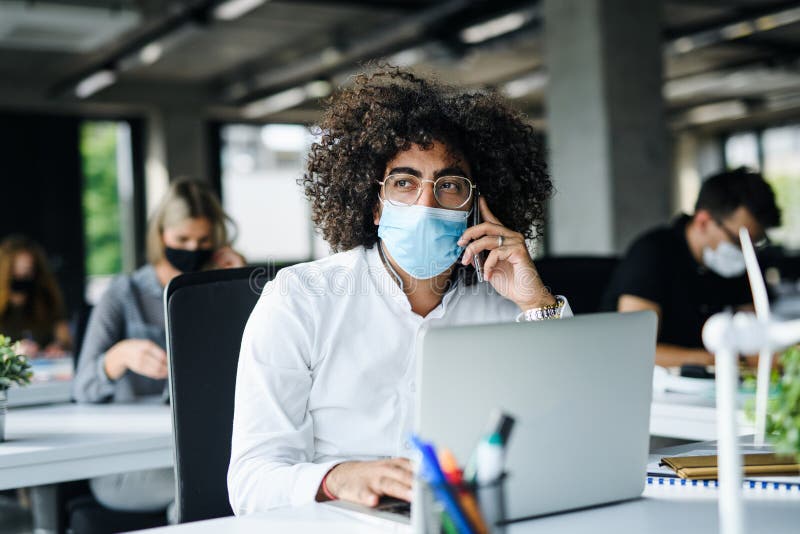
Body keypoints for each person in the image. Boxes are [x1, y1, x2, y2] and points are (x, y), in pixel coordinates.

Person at [228, 67, 573, 515]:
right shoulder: (298, 300)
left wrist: (535, 301)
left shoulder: (507, 306)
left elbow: (571, 436)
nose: (426, 204)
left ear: (475, 205)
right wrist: (337, 478)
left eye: (449, 186)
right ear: (375, 204)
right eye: (404, 183)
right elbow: (251, 483)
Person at [73, 178, 245, 513]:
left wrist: (237, 286)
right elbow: (82, 388)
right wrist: (119, 356)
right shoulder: (123, 294)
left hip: (203, 448)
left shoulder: (214, 291)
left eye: (203, 240)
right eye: (182, 239)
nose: (193, 249)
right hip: (130, 462)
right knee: (203, 490)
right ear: (161, 235)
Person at [601, 167, 781, 369]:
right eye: (738, 241)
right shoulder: (652, 253)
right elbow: (633, 349)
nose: (745, 252)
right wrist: (715, 360)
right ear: (703, 222)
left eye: (754, 243)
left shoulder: (736, 266)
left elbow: (755, 345)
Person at [0, 235, 72, 356]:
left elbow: (66, 340)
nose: (21, 278)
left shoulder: (47, 300)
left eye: (27, 272)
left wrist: (58, 347)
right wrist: (11, 353)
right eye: (16, 272)